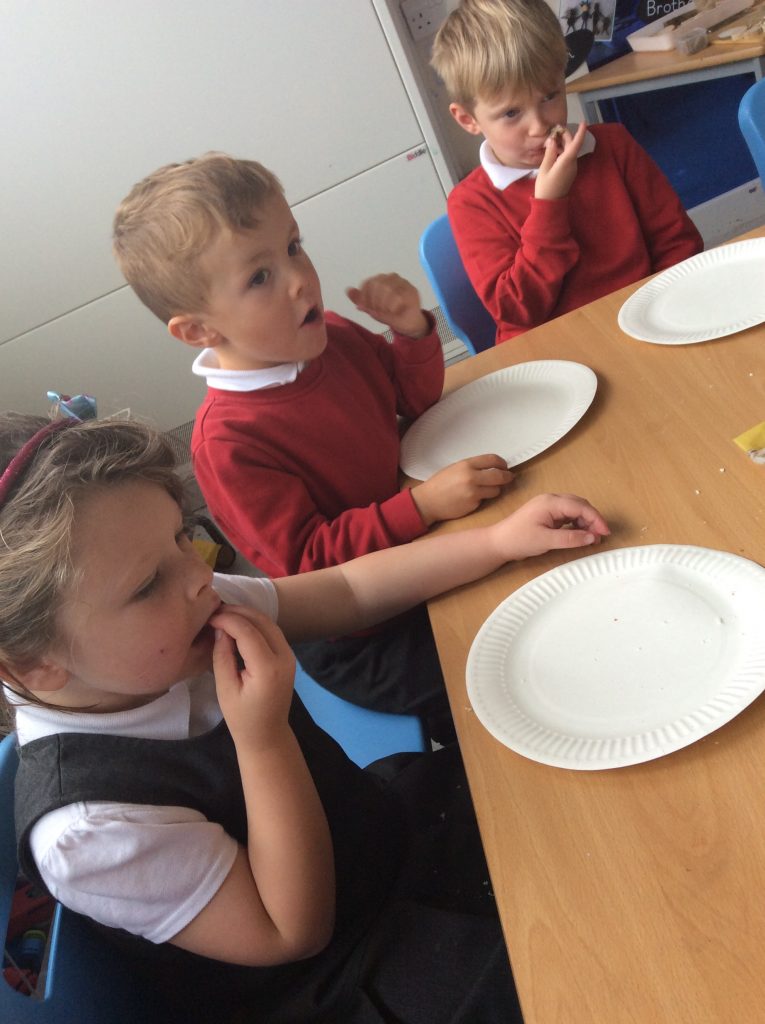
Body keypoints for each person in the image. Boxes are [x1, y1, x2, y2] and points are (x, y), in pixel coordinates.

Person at [0, 411, 610, 1023]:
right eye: (146, 584)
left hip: (379, 835)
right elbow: (291, 931)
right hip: (343, 974)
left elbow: (345, 590)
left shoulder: (184, 610)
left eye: (182, 536)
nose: (198, 575)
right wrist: (261, 741)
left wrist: (497, 542)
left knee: (583, 800)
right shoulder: (87, 831)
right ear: (33, 664)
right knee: (579, 977)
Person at [112, 153, 515, 743]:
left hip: (422, 542)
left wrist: (413, 336)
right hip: (363, 633)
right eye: (260, 276)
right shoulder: (228, 443)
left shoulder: (330, 336)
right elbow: (312, 565)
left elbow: (414, 402)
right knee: (499, 678)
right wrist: (422, 507)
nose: (301, 277)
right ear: (199, 330)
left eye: (294, 246)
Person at [430, 0, 704, 343]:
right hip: (552, 350)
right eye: (512, 113)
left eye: (549, 95)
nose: (540, 125)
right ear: (468, 119)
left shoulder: (613, 146)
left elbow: (679, 244)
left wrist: (666, 314)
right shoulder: (471, 203)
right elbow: (517, 310)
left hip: (646, 324)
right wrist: (549, 204)